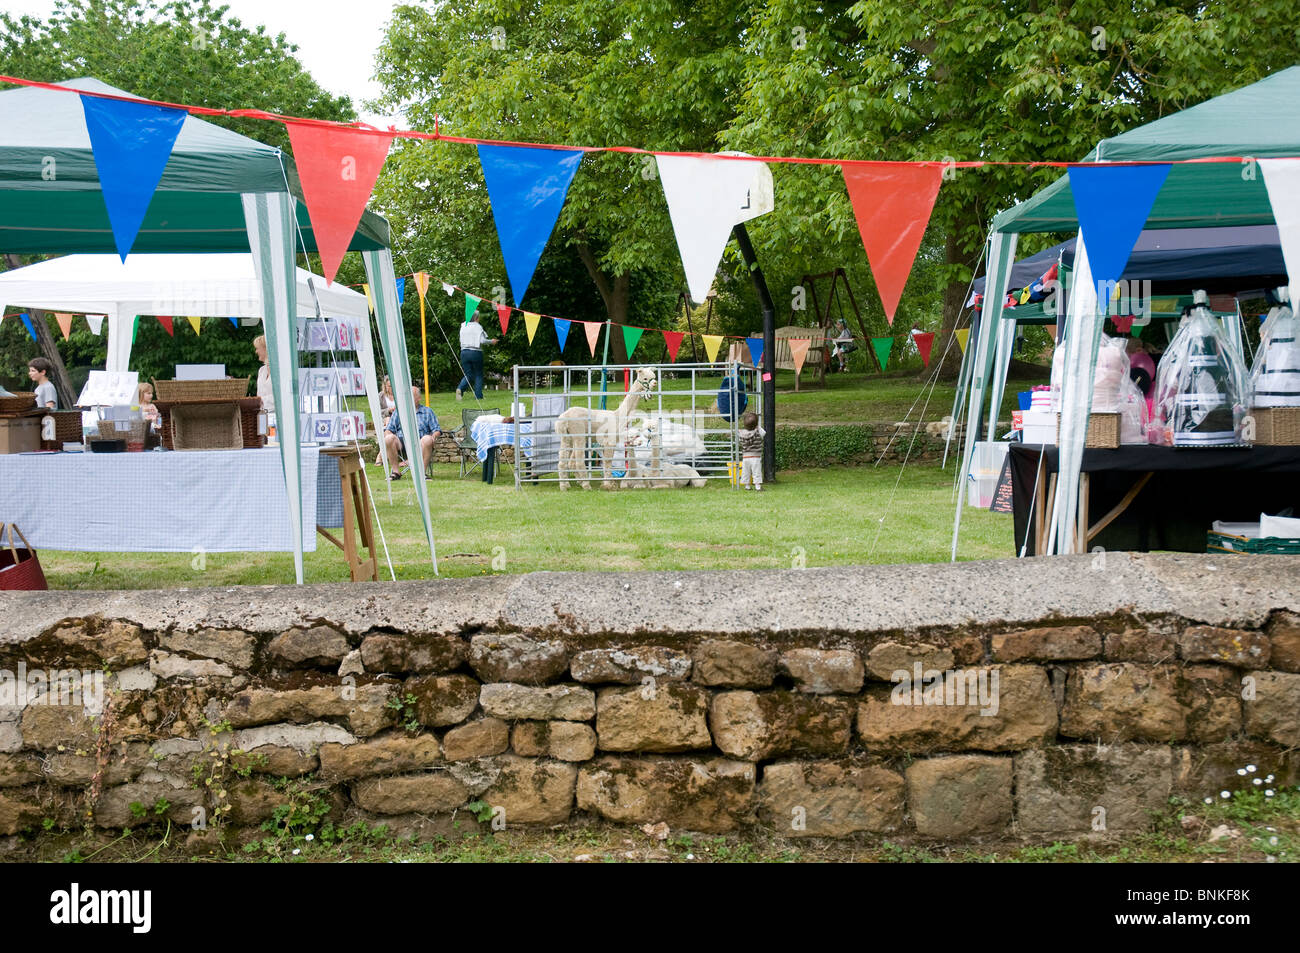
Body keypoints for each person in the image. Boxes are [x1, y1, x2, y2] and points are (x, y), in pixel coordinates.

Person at [385, 385, 441, 480]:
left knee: (427, 439)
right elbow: (388, 430)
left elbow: (437, 430)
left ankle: (421, 473)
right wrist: (388, 437)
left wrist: (433, 437)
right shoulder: (399, 412)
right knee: (389, 438)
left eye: (412, 396)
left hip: (421, 441)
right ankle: (395, 472)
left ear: (419, 398)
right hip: (402, 442)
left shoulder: (427, 411)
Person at [455, 312, 497, 401]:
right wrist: (491, 341)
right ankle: (478, 396)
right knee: (478, 374)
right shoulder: (477, 327)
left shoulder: (463, 326)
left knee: (468, 374)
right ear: (476, 318)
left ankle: (460, 388)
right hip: (475, 352)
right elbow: (482, 341)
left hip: (464, 352)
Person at [737, 411, 765, 491]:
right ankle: (757, 486)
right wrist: (758, 427)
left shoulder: (741, 434)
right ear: (756, 424)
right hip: (755, 456)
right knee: (756, 472)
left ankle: (747, 486)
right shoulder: (758, 432)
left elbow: (740, 441)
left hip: (746, 456)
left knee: (746, 471)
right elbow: (764, 433)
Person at [375, 376, 398, 466]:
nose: (391, 388)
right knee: (388, 420)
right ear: (385, 386)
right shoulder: (381, 396)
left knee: (389, 423)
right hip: (385, 420)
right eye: (389, 386)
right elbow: (377, 411)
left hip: (397, 420)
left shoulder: (399, 395)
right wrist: (388, 410)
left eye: (392, 386)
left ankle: (380, 455)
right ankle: (381, 455)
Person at [252, 334, 274, 414]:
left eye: (257, 348)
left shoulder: (279, 370)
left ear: (266, 349)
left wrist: (261, 400)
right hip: (263, 415)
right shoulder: (261, 370)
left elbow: (283, 396)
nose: (256, 351)